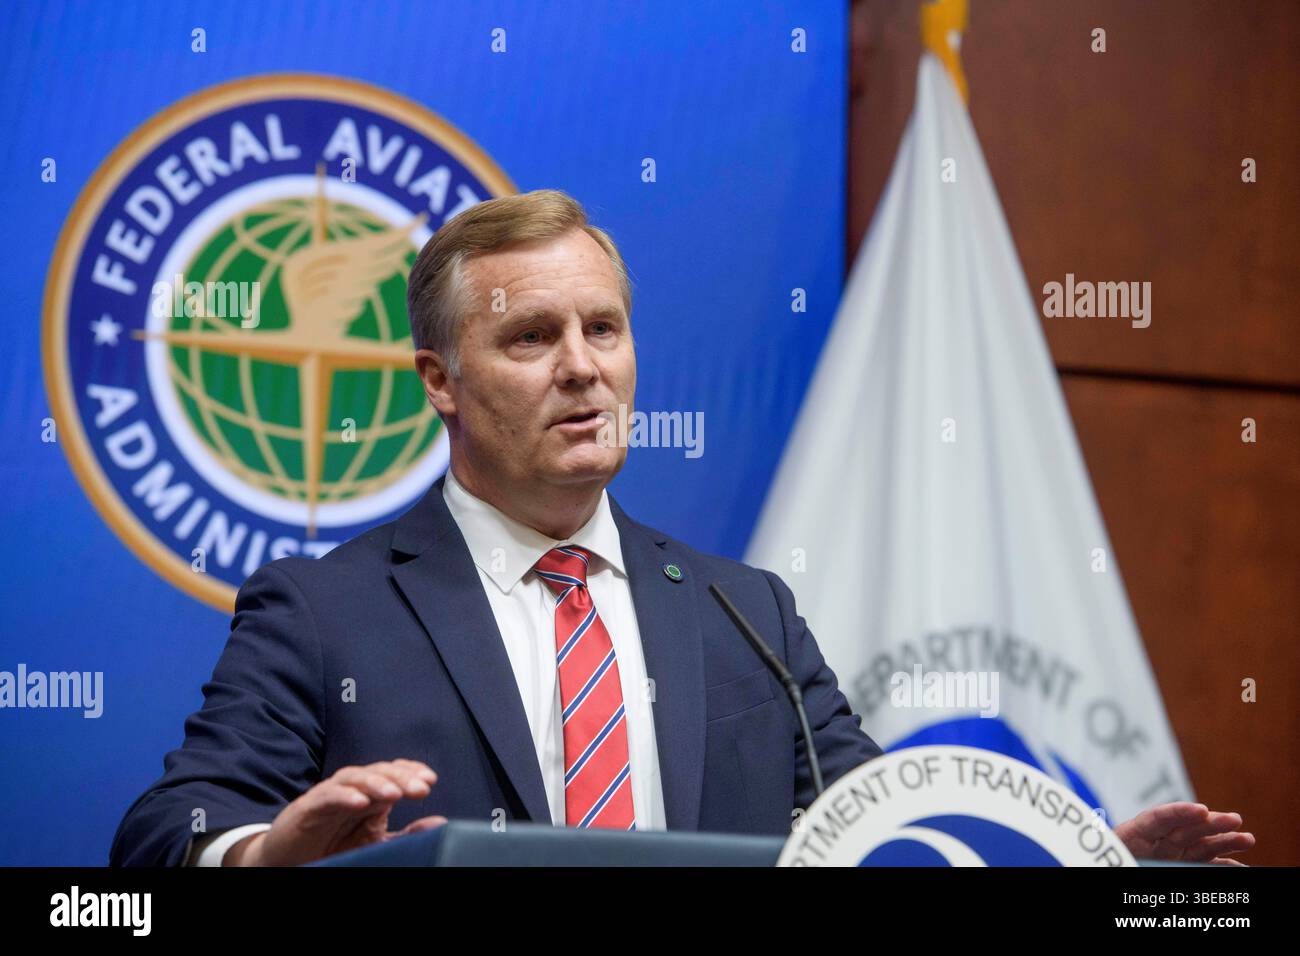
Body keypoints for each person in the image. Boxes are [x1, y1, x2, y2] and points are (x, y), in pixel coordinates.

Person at [109, 190, 1253, 867]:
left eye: (603, 328)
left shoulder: (741, 610)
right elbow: (169, 825)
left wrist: (1076, 857)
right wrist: (265, 851)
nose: (581, 368)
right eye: (530, 338)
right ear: (439, 380)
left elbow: (875, 838)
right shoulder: (326, 608)